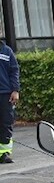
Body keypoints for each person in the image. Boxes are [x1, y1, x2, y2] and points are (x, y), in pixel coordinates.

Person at [0, 37, 19, 165]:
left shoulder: (7, 51)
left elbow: (14, 71)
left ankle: (4, 153)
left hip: (5, 94)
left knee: (6, 123)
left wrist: (15, 90)